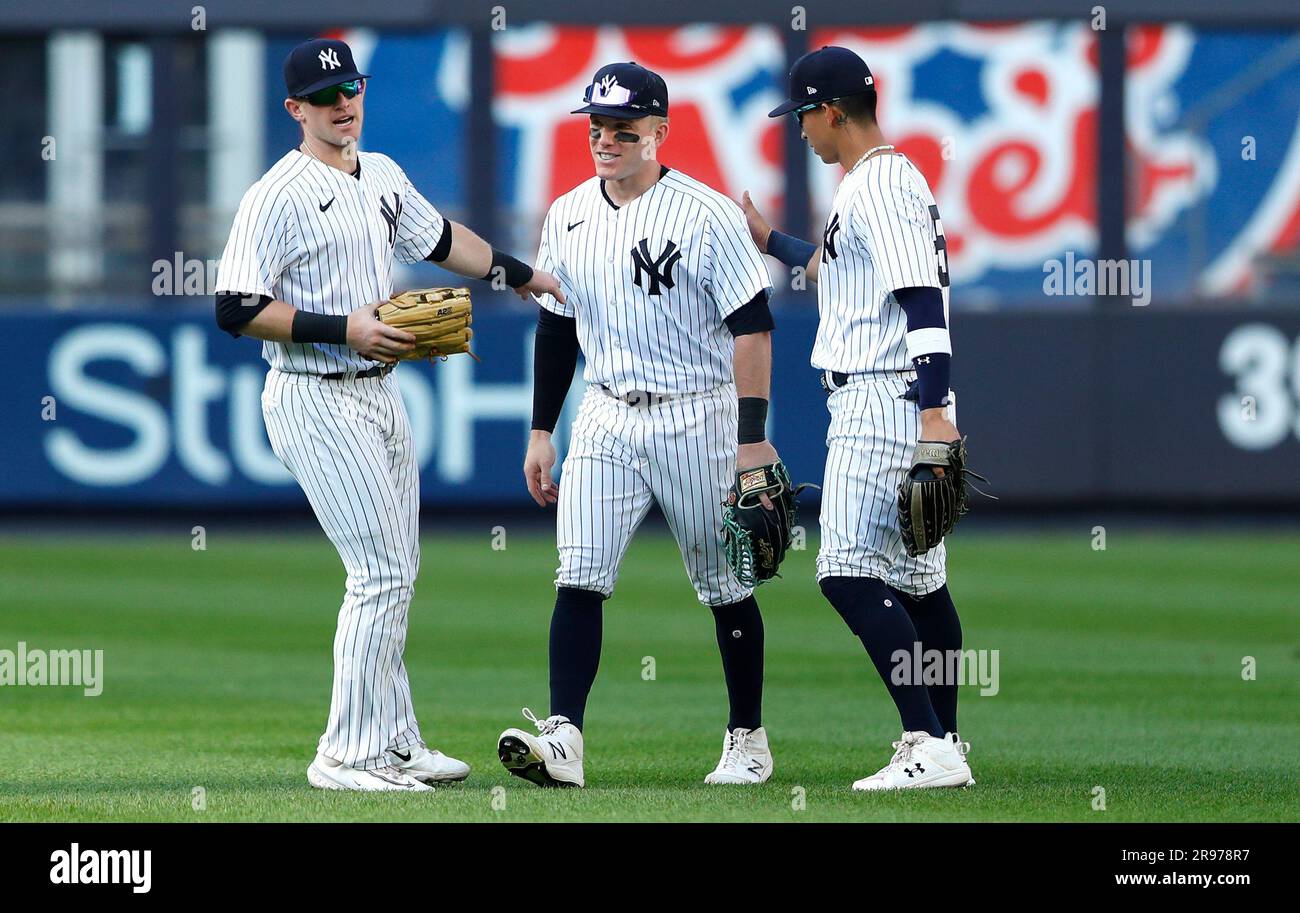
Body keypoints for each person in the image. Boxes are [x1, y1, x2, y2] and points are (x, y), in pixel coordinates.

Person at [213, 37, 564, 792]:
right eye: (325, 96)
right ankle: (343, 755)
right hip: (314, 391)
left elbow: (443, 242)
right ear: (295, 109)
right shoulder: (276, 194)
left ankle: (396, 740)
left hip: (378, 388)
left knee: (396, 571)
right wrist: (346, 328)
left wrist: (524, 274)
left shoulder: (381, 174)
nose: (344, 105)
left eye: (352, 89)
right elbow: (235, 307)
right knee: (378, 572)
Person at [496, 62, 781, 788]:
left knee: (725, 585)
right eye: (596, 127)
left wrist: (752, 437)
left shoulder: (707, 211)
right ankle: (563, 739)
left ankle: (747, 737)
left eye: (624, 129)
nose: (606, 140)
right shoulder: (566, 212)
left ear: (660, 131)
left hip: (697, 411)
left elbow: (752, 327)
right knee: (578, 574)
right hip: (606, 412)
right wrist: (540, 428)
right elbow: (556, 325)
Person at [743, 46, 975, 790]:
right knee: (919, 583)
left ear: (832, 112)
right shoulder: (875, 184)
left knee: (845, 572)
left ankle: (926, 739)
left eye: (805, 116)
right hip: (894, 391)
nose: (801, 131)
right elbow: (843, 266)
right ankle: (947, 745)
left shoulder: (880, 186)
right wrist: (772, 242)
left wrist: (934, 412)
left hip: (886, 394)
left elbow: (921, 300)